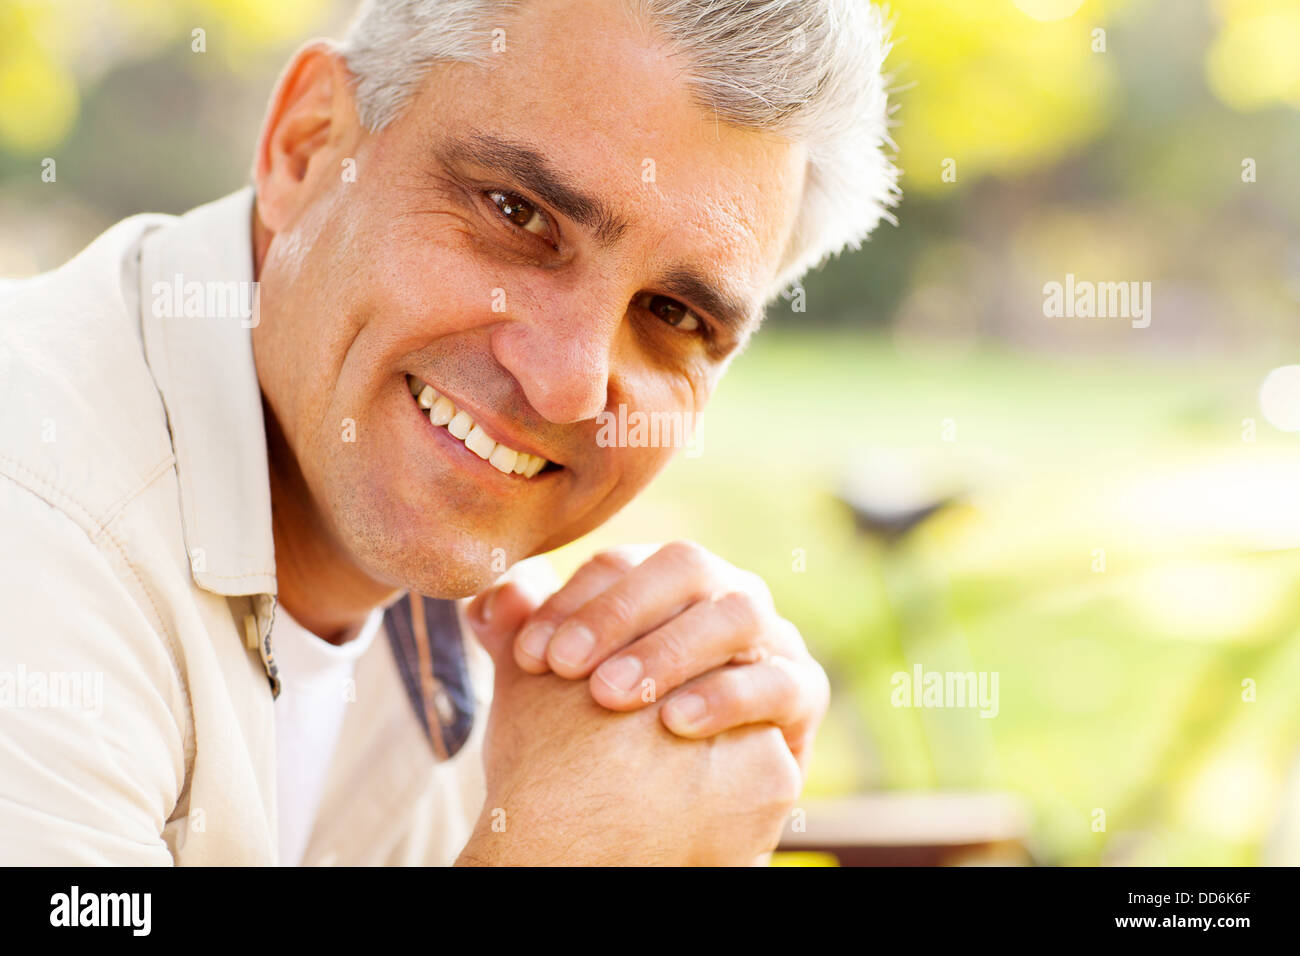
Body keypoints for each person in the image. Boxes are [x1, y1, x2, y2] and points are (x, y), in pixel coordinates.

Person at [0, 0, 897, 865]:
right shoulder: (32, 507)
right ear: (308, 145)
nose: (565, 383)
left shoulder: (530, 668)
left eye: (673, 312)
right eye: (517, 214)